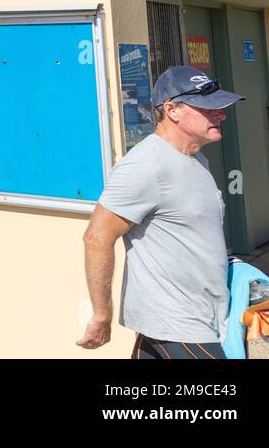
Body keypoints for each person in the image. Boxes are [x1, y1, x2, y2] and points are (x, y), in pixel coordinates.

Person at [78, 65, 244, 359]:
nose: (221, 114)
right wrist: (102, 315)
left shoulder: (196, 158)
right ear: (172, 110)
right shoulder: (145, 166)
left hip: (193, 319)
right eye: (208, 108)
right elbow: (97, 236)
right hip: (180, 326)